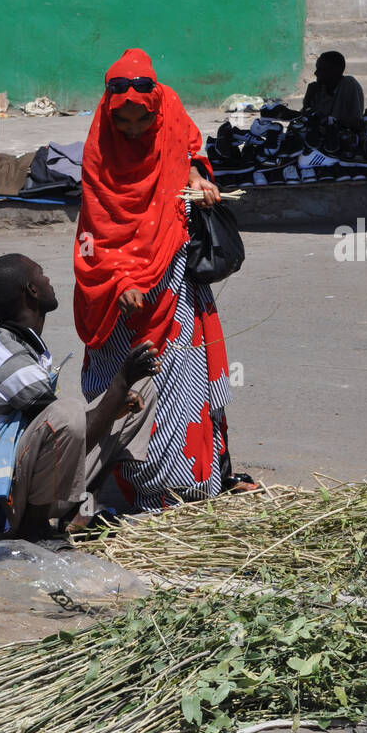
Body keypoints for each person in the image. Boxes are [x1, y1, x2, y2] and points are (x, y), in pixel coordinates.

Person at [74, 49, 256, 514]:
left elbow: (192, 147)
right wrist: (118, 282)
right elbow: (98, 227)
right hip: (124, 298)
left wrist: (197, 174)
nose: (133, 131)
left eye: (141, 122)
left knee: (184, 378)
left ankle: (199, 480)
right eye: (125, 124)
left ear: (155, 107)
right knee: (133, 384)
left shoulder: (170, 110)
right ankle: (142, 485)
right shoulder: (100, 151)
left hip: (174, 274)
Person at [0, 253, 159, 549]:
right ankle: (32, 531)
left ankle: (81, 512)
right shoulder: (7, 358)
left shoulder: (23, 343)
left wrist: (121, 396)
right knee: (69, 412)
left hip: (27, 475)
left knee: (142, 388)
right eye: (41, 273)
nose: (49, 279)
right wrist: (119, 383)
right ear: (32, 290)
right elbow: (68, 427)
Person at [303, 51, 365, 131]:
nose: (315, 73)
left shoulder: (348, 84)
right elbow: (304, 120)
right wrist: (308, 98)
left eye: (320, 69)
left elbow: (357, 123)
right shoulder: (318, 89)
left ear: (334, 71)